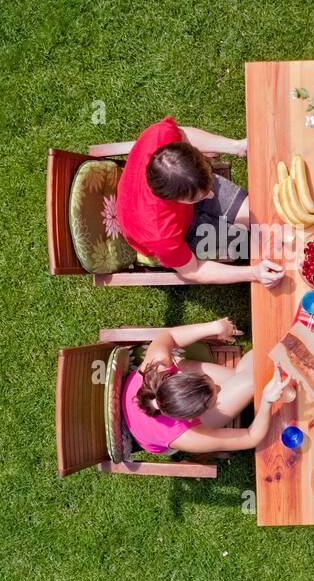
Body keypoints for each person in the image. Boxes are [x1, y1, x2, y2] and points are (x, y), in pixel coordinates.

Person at [108, 116, 284, 286]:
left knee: (260, 216)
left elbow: (183, 134)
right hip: (180, 231)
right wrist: (254, 273)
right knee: (247, 241)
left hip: (181, 193)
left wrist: (236, 146)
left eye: (207, 186)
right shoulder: (160, 235)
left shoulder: (160, 137)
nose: (211, 195)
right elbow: (194, 270)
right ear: (176, 200)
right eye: (201, 196)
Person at [124, 318, 292, 454]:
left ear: (178, 374)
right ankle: (255, 380)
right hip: (160, 433)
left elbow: (170, 336)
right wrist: (267, 402)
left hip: (161, 398)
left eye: (210, 383)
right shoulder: (188, 435)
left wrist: (214, 327)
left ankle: (251, 378)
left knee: (255, 372)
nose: (219, 388)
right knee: (252, 381)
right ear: (193, 418)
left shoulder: (158, 364)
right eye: (214, 399)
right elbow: (250, 437)